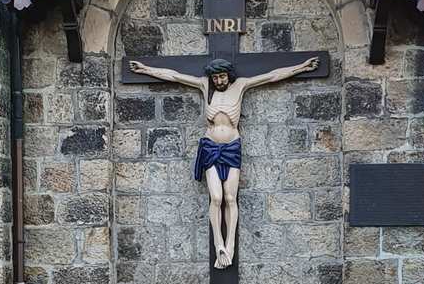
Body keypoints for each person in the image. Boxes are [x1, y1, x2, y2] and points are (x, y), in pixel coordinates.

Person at [129, 56, 319, 269]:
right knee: (216, 197)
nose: (218, 81)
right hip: (210, 147)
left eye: (221, 76)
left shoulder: (240, 86)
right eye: (215, 78)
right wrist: (146, 70)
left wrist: (301, 67)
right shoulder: (205, 86)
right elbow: (175, 76)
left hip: (231, 148)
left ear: (229, 75)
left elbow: (271, 76)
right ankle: (218, 243)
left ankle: (230, 246)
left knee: (230, 197)